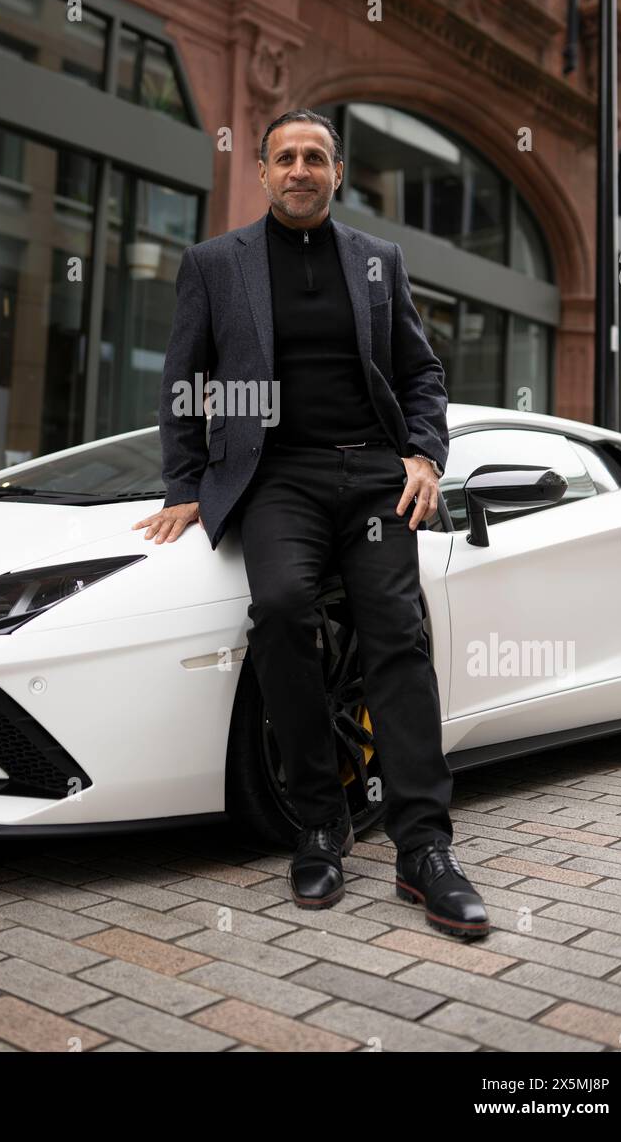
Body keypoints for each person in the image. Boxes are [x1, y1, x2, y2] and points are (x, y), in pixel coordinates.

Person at [133, 109, 490, 938]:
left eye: (316, 157)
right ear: (262, 172)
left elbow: (422, 371)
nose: (301, 169)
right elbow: (182, 378)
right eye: (286, 157)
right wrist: (185, 481)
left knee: (396, 634)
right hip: (276, 478)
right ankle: (320, 825)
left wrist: (425, 455)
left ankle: (423, 849)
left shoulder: (378, 263)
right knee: (285, 612)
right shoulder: (216, 265)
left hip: (373, 474)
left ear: (337, 172)